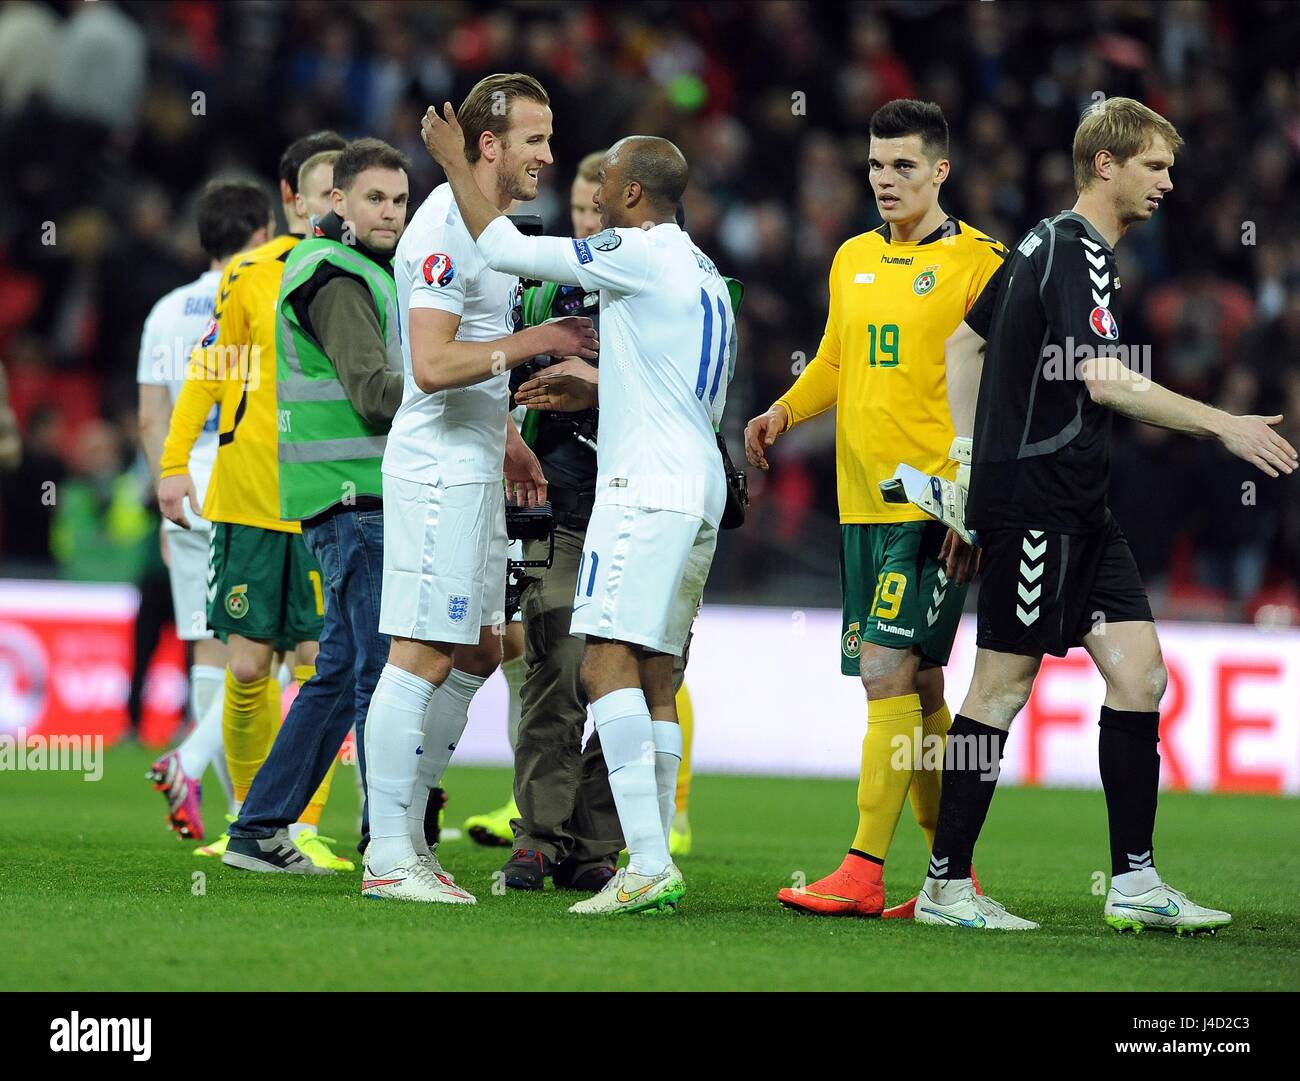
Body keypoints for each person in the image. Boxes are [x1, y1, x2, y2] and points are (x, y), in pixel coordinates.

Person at [909, 96, 1295, 932]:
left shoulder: (1036, 247)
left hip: (1079, 505)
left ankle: (1135, 883)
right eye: (1154, 166)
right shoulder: (1076, 250)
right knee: (1001, 685)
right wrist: (1223, 423)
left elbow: (964, 346)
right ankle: (945, 885)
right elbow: (1106, 378)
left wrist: (970, 463)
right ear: (1106, 164)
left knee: (1140, 674)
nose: (1167, 182)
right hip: (1038, 505)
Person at [422, 104, 734, 916]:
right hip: (698, 481)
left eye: (603, 181)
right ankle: (649, 855)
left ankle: (648, 865)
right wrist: (602, 386)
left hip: (643, 488)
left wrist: (455, 161)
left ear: (628, 192)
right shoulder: (702, 271)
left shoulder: (631, 250)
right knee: (658, 672)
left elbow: (505, 248)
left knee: (600, 668)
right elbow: (677, 384)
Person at [743, 100, 1005, 919]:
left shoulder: (981, 264)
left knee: (884, 670)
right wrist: (786, 409)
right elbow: (833, 357)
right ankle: (948, 874)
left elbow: (1002, 387)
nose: (885, 180)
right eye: (875, 165)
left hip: (932, 507)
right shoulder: (852, 256)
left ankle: (862, 868)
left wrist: (976, 498)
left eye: (902, 166)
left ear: (941, 172)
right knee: (921, 689)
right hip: (859, 506)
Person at [360, 73, 596, 905]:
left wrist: (507, 446)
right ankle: (388, 851)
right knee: (420, 652)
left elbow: (475, 357)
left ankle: (411, 832)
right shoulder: (440, 228)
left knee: (480, 650)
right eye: (535, 138)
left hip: (473, 463)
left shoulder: (485, 229)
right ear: (488, 145)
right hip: (433, 470)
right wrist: (546, 335)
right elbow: (430, 366)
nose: (548, 153)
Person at [157, 131, 353, 871]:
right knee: (244, 666)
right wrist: (175, 464)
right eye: (321, 191)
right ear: (293, 200)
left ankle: (302, 825)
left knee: (318, 661)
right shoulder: (251, 274)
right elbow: (208, 373)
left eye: (347, 191)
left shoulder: (369, 273)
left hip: (326, 499)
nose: (331, 204)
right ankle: (249, 818)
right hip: (245, 497)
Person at [222, 138, 411, 872]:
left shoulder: (346, 267)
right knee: (377, 669)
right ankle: (387, 845)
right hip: (356, 496)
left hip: (338, 495)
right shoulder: (337, 274)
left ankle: (258, 829)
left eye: (399, 199)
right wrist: (465, 384)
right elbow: (372, 393)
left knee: (337, 670)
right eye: (374, 198)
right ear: (337, 203)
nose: (390, 212)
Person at [139, 179, 271, 841]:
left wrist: (164, 491)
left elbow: (149, 415)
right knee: (261, 649)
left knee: (207, 643)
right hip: (243, 487)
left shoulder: (164, 311)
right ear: (257, 234)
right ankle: (191, 765)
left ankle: (234, 809)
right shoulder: (256, 292)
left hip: (181, 487)